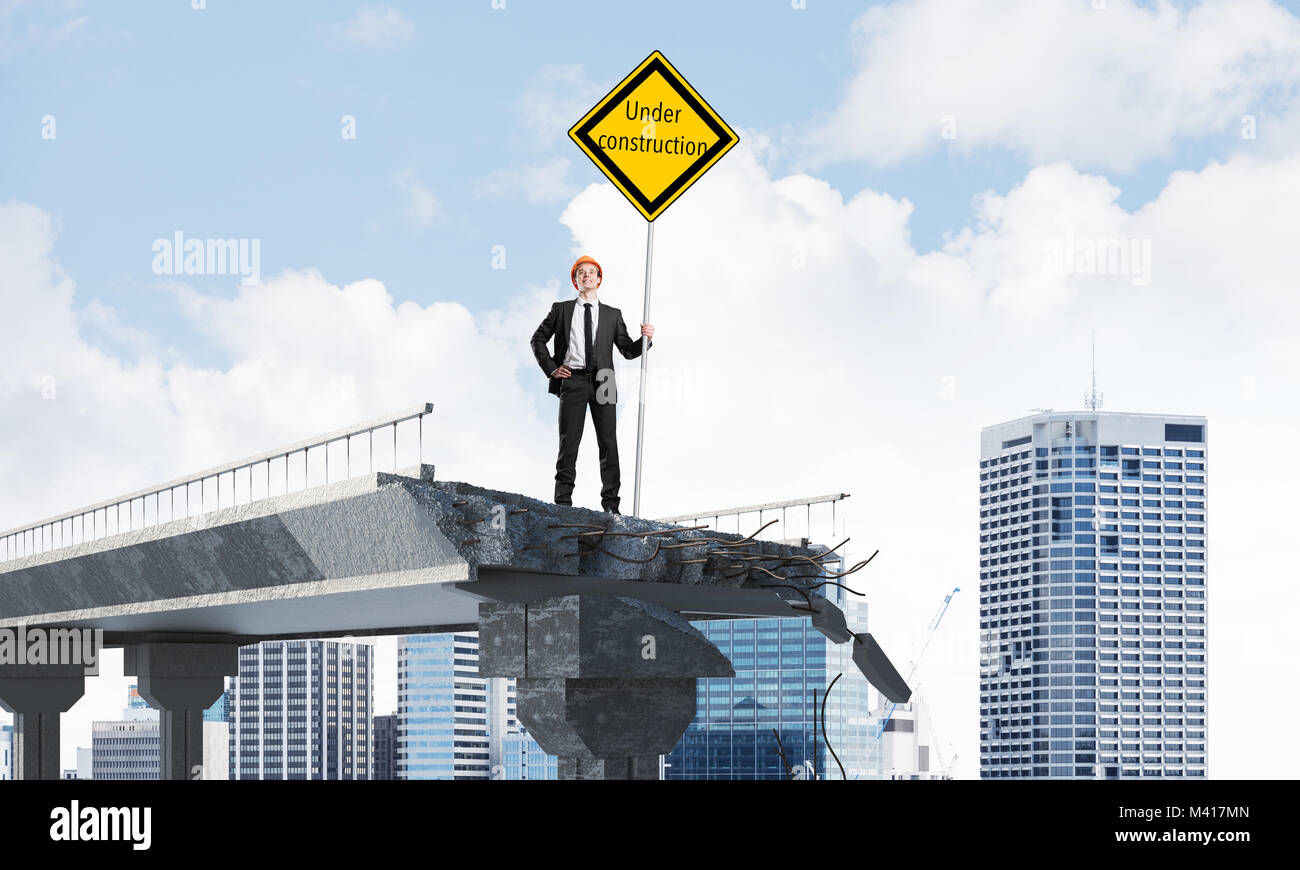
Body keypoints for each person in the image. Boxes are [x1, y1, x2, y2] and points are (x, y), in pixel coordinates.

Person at [530, 255, 654, 514]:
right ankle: (563, 503)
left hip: (605, 380)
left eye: (591, 272)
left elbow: (627, 351)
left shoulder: (612, 314)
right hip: (572, 379)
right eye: (581, 273)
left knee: (608, 442)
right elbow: (537, 340)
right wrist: (552, 369)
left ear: (599, 279)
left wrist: (646, 340)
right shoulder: (561, 309)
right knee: (569, 441)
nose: (586, 276)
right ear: (575, 280)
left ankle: (611, 505)